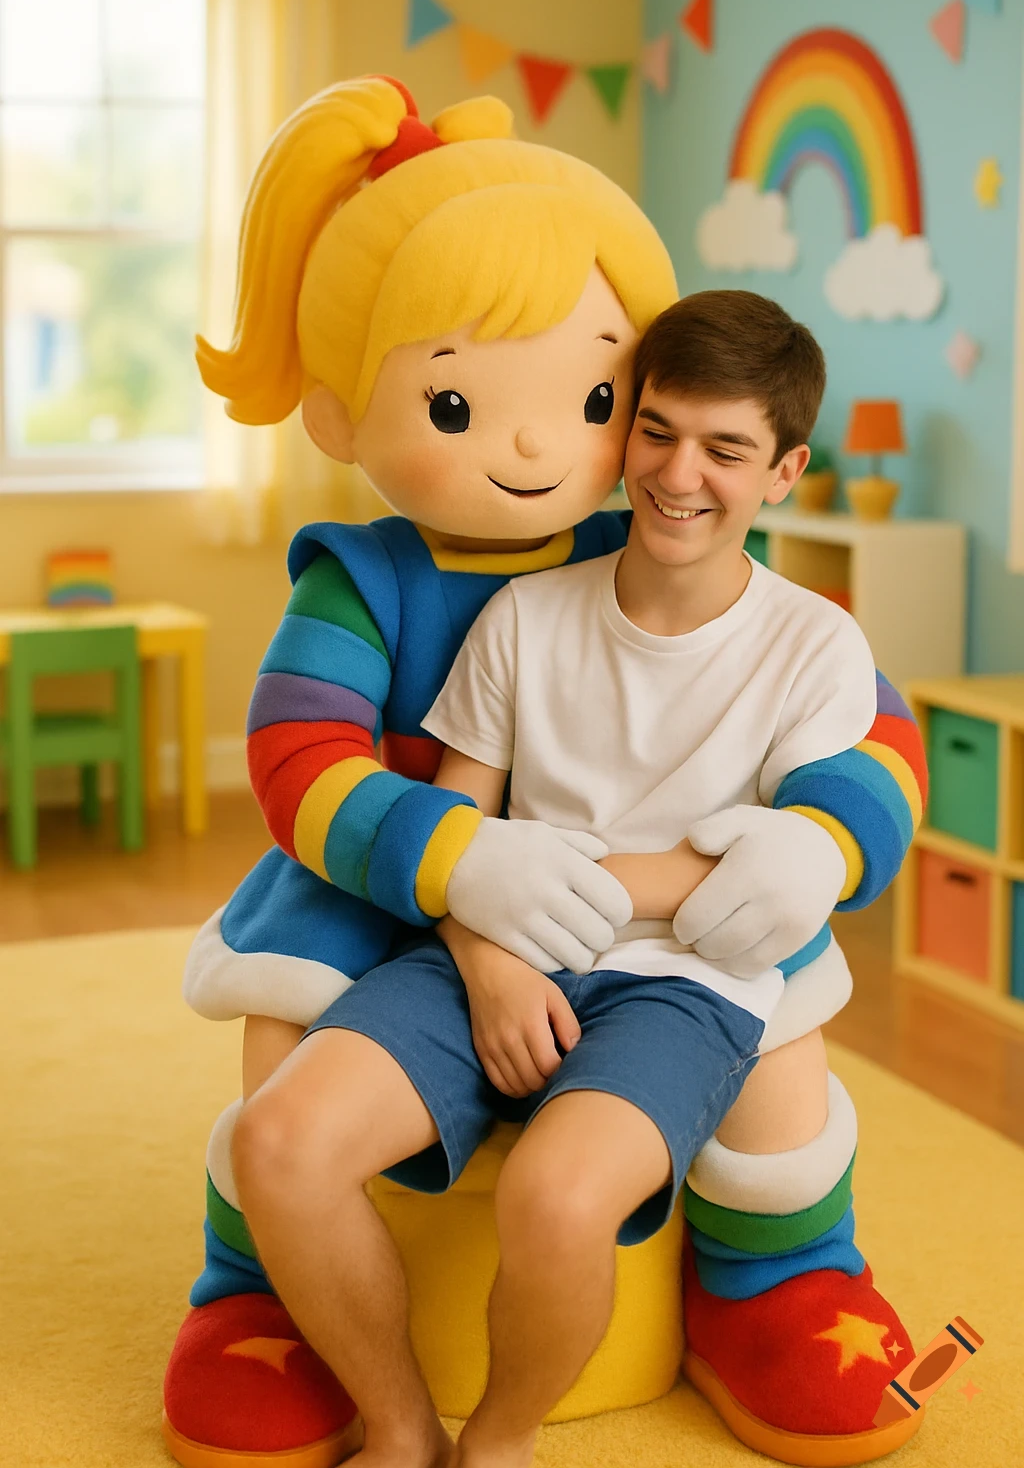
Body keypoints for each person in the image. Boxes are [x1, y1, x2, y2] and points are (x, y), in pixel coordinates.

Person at [162, 76, 926, 1468]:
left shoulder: (814, 639)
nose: (676, 472)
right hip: (435, 907)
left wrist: (810, 844)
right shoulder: (503, 606)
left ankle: (677, 1335)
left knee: (578, 1188)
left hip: (675, 971)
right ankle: (376, 1406)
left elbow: (867, 752)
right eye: (650, 427)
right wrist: (490, 932)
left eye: (725, 450)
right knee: (278, 1116)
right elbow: (350, 768)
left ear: (784, 472)